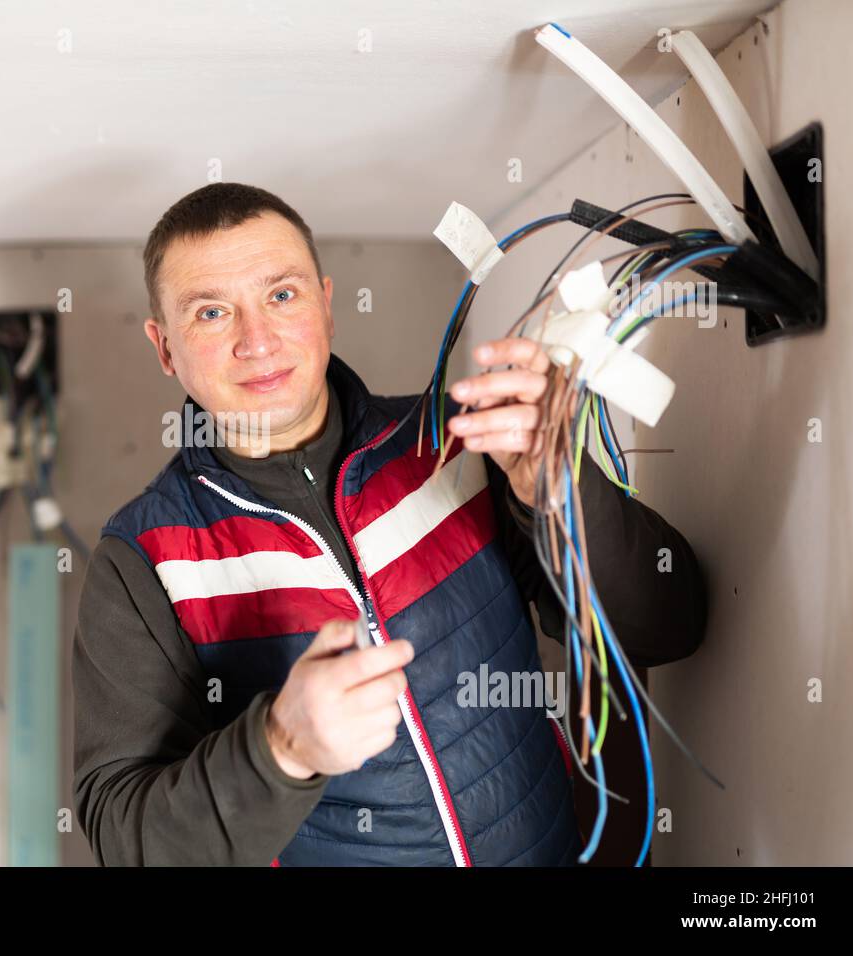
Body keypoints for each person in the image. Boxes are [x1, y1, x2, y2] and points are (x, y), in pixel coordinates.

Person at [72, 182, 707, 866]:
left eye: (282, 296)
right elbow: (124, 835)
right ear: (164, 347)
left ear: (327, 304)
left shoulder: (455, 445)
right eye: (212, 312)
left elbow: (668, 626)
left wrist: (561, 494)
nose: (257, 341)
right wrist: (279, 751)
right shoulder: (143, 558)